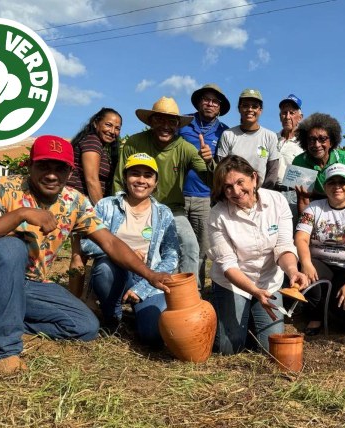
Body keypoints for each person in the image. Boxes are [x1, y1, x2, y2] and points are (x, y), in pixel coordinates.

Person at [0, 136, 174, 374]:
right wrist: (20, 215)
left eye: (60, 168)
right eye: (44, 166)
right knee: (11, 247)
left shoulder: (74, 201)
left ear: (70, 171)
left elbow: (108, 241)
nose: (51, 175)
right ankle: (4, 352)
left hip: (29, 283)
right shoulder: (2, 188)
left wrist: (150, 275)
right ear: (30, 165)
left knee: (85, 326)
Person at [207, 155, 309, 355]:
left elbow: (283, 245)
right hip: (233, 284)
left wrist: (292, 270)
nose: (236, 191)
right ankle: (226, 310)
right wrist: (254, 292)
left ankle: (249, 317)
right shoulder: (217, 215)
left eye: (240, 182)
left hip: (268, 283)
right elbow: (228, 267)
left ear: (254, 178)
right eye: (228, 187)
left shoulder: (277, 201)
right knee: (230, 347)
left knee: (269, 348)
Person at [82, 153, 179, 346]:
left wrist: (143, 287)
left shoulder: (164, 213)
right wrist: (123, 254)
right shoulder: (106, 205)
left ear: (155, 182)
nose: (141, 180)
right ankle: (113, 316)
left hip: (149, 278)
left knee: (153, 335)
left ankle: (139, 309)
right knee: (105, 269)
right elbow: (87, 244)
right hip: (116, 272)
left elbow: (172, 255)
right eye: (135, 174)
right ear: (126, 178)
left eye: (147, 175)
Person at [114, 96, 206, 280]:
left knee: (189, 245)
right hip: (135, 207)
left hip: (173, 210)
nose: (166, 125)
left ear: (178, 124)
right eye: (160, 119)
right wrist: (119, 209)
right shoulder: (134, 142)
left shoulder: (185, 148)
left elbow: (209, 176)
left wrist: (210, 162)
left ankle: (190, 294)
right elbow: (119, 179)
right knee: (123, 244)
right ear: (151, 121)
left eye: (171, 121)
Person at [295, 163, 345, 335]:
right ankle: (315, 315)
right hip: (321, 263)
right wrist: (306, 263)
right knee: (306, 275)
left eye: (343, 182)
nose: (337, 186)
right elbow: (301, 238)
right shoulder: (314, 207)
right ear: (325, 186)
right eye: (332, 182)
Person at [66, 107, 123, 296]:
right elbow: (91, 180)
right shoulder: (92, 141)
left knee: (81, 255)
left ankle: (79, 299)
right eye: (108, 124)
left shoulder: (98, 144)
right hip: (81, 205)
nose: (112, 131)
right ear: (95, 123)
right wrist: (103, 214)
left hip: (82, 205)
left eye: (117, 128)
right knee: (79, 256)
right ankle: (75, 302)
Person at [180, 83, 230, 290]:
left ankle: (195, 292)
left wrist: (211, 161)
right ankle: (176, 290)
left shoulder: (224, 132)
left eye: (214, 101)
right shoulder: (183, 124)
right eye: (206, 99)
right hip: (179, 195)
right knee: (178, 247)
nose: (209, 104)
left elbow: (226, 167)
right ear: (199, 102)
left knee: (200, 250)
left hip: (204, 197)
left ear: (219, 107)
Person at [292, 113, 345, 216]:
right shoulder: (299, 162)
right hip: (316, 209)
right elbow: (302, 198)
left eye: (322, 139)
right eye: (312, 139)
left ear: (331, 142)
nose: (317, 145)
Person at [217, 88, 280, 189]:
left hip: (260, 195)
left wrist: (261, 195)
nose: (250, 109)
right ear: (239, 108)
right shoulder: (228, 135)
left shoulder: (270, 136)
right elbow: (221, 168)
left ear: (260, 110)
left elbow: (272, 171)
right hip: (234, 195)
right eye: (245, 105)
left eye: (254, 106)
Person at [275, 94, 305, 188]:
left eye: (292, 113)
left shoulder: (306, 143)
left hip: (293, 193)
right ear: (280, 116)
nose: (287, 117)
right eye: (284, 113)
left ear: (300, 117)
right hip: (270, 190)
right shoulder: (272, 139)